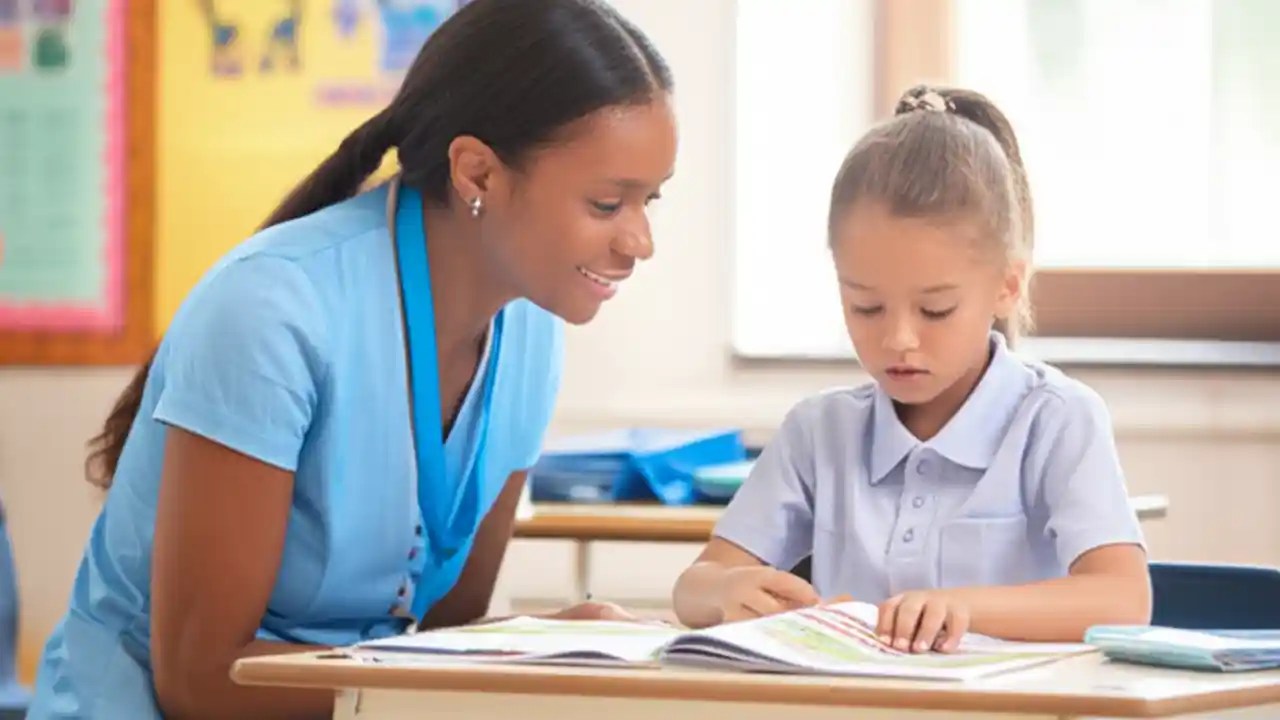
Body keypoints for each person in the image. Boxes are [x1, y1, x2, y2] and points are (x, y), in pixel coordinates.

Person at [29, 1, 677, 717]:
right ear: (478, 174)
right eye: (607, 203)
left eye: (649, 201)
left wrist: (551, 644)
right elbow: (204, 681)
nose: (641, 243)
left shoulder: (531, 332)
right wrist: (501, 666)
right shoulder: (272, 310)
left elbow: (440, 639)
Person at [672, 85, 1149, 652]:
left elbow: (1122, 599)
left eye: (935, 310)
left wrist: (962, 608)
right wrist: (728, 589)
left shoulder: (1056, 419)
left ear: (1007, 285)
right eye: (865, 306)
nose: (898, 339)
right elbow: (693, 587)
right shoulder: (819, 431)